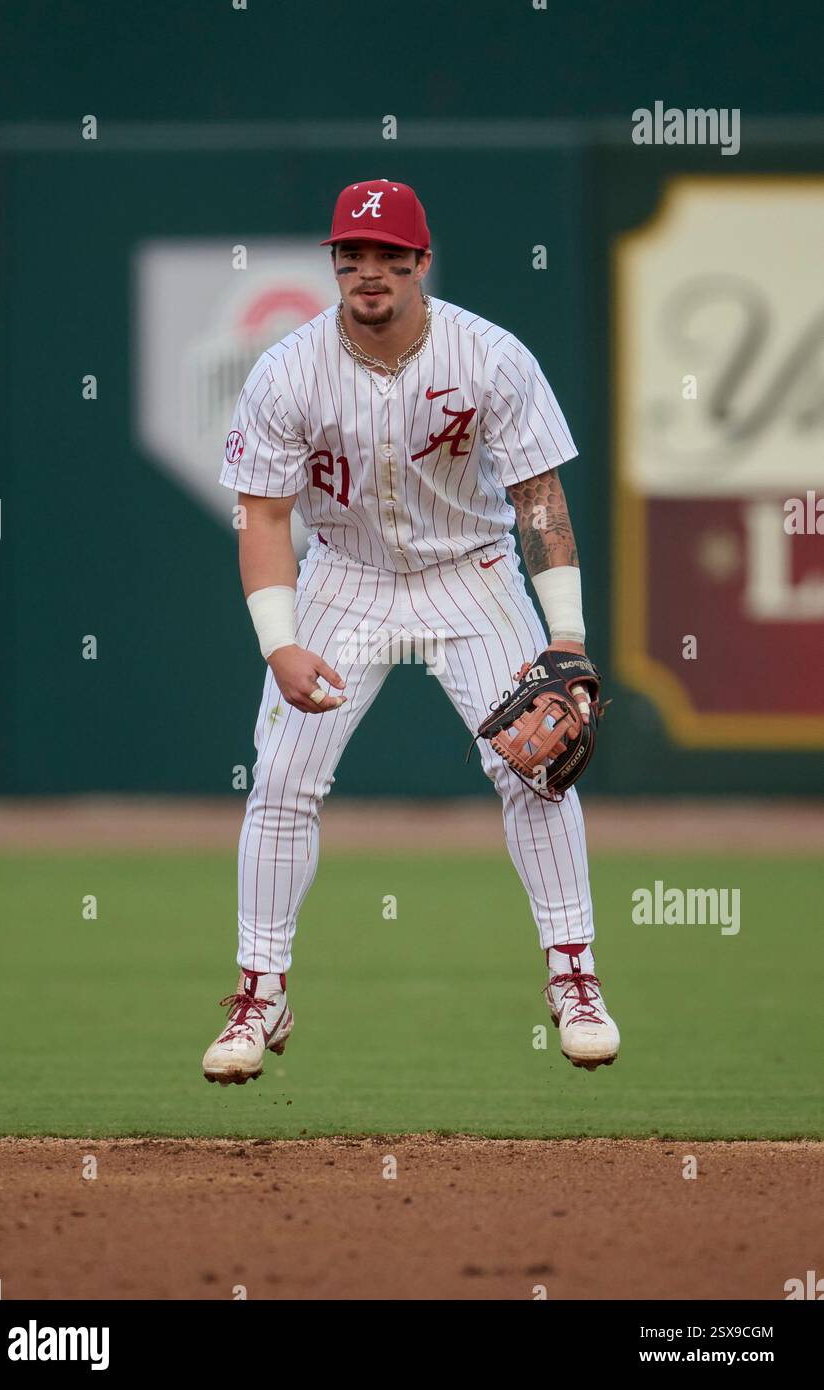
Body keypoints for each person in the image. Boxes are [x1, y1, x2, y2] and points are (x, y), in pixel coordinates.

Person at [202, 178, 619, 1085]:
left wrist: (569, 639)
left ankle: (574, 977)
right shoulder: (288, 370)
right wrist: (279, 641)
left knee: (535, 765)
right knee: (280, 777)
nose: (369, 271)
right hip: (343, 581)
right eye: (352, 254)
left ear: (422, 262)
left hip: (470, 575)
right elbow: (264, 516)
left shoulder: (491, 357)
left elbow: (538, 501)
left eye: (391, 255)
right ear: (336, 263)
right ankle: (260, 992)